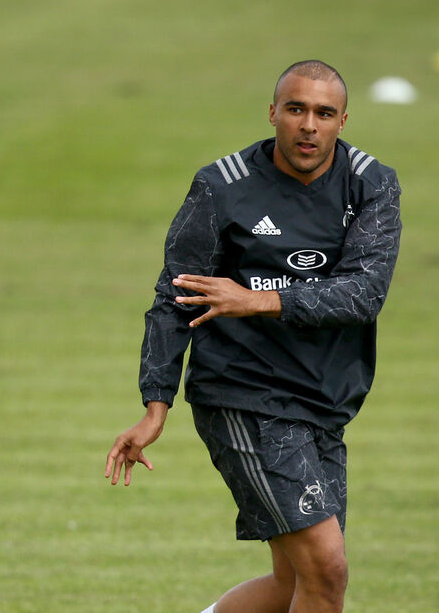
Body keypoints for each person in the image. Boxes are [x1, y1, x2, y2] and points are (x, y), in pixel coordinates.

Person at [104, 60, 402, 613]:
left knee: (296, 584)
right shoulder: (221, 187)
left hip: (323, 402)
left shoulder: (371, 185)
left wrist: (257, 299)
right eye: (295, 109)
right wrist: (156, 404)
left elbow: (363, 294)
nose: (308, 125)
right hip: (242, 394)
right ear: (273, 114)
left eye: (323, 113)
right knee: (327, 569)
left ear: (342, 120)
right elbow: (174, 299)